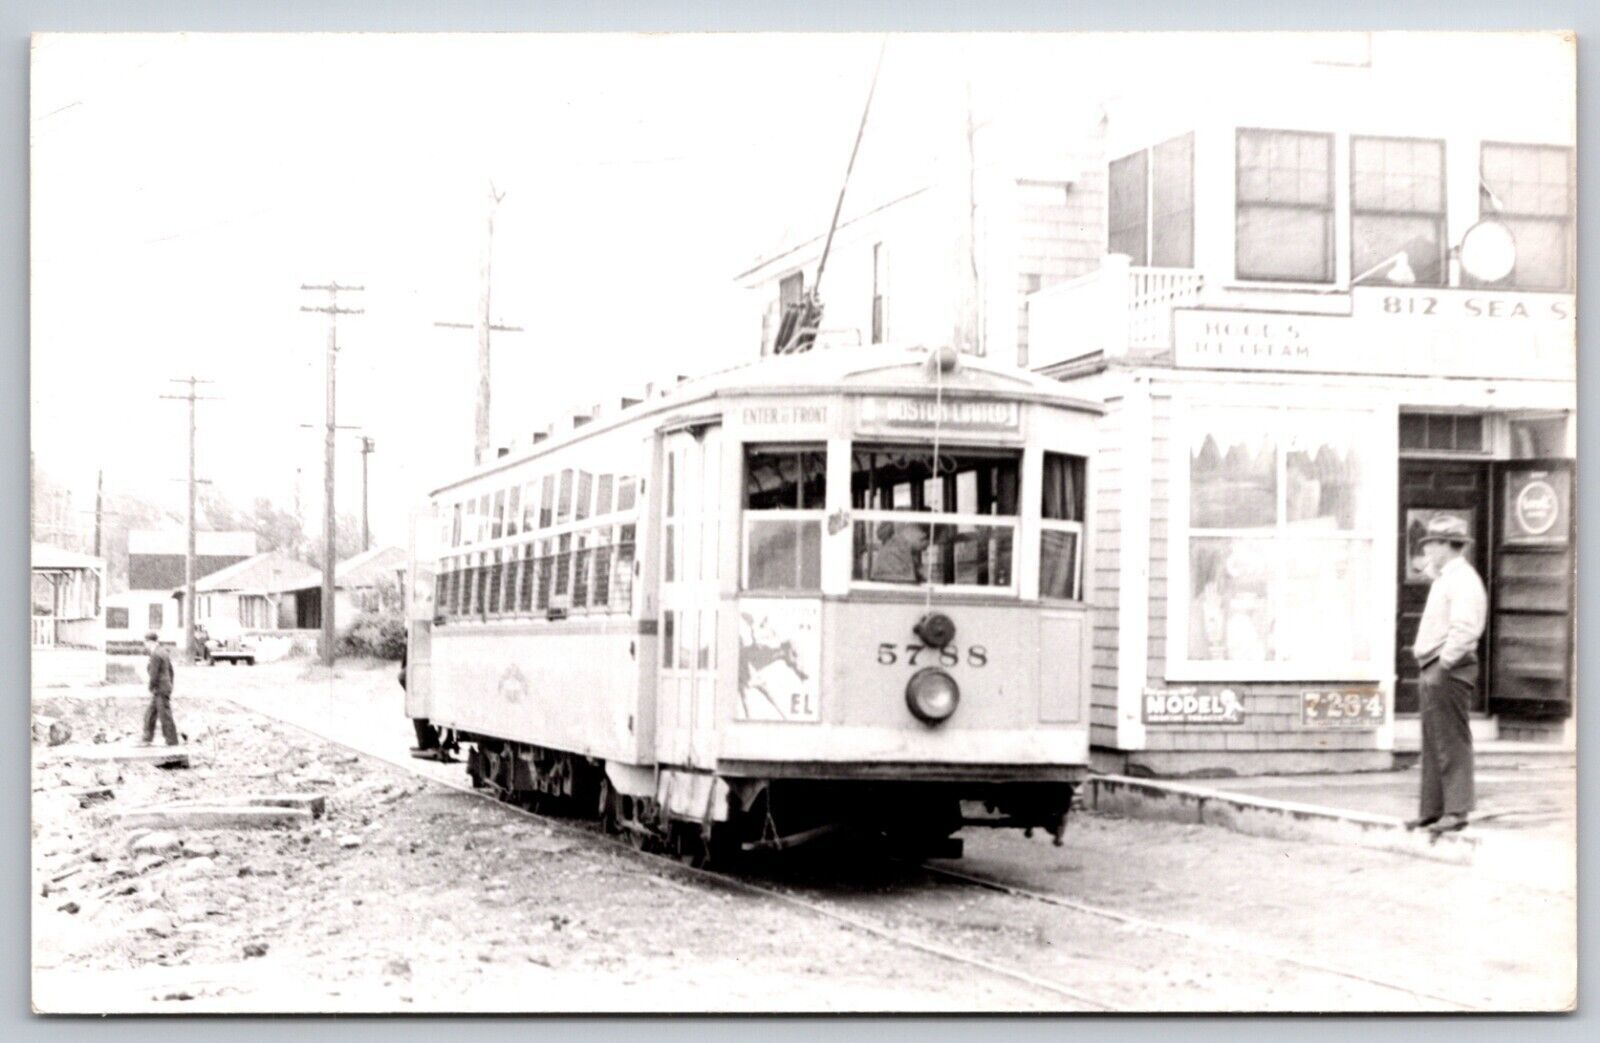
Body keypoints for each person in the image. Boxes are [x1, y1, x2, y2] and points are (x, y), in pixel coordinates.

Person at [1407, 514, 1488, 835]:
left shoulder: (1463, 580)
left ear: (1447, 545)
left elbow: (1465, 629)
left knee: (1451, 740)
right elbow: (1423, 569)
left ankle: (1456, 811)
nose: (1427, 550)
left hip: (1449, 667)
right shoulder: (1446, 577)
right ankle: (1432, 811)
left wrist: (1444, 664)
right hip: (1434, 665)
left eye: (1432, 544)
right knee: (1433, 740)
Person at [140, 630, 181, 747]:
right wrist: (170, 685)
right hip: (164, 688)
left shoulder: (155, 654)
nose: (145, 645)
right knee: (150, 714)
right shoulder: (163, 652)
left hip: (160, 689)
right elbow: (171, 671)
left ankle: (172, 741)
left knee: (164, 716)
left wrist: (151, 688)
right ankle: (146, 738)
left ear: (150, 642)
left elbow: (154, 675)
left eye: (145, 642)